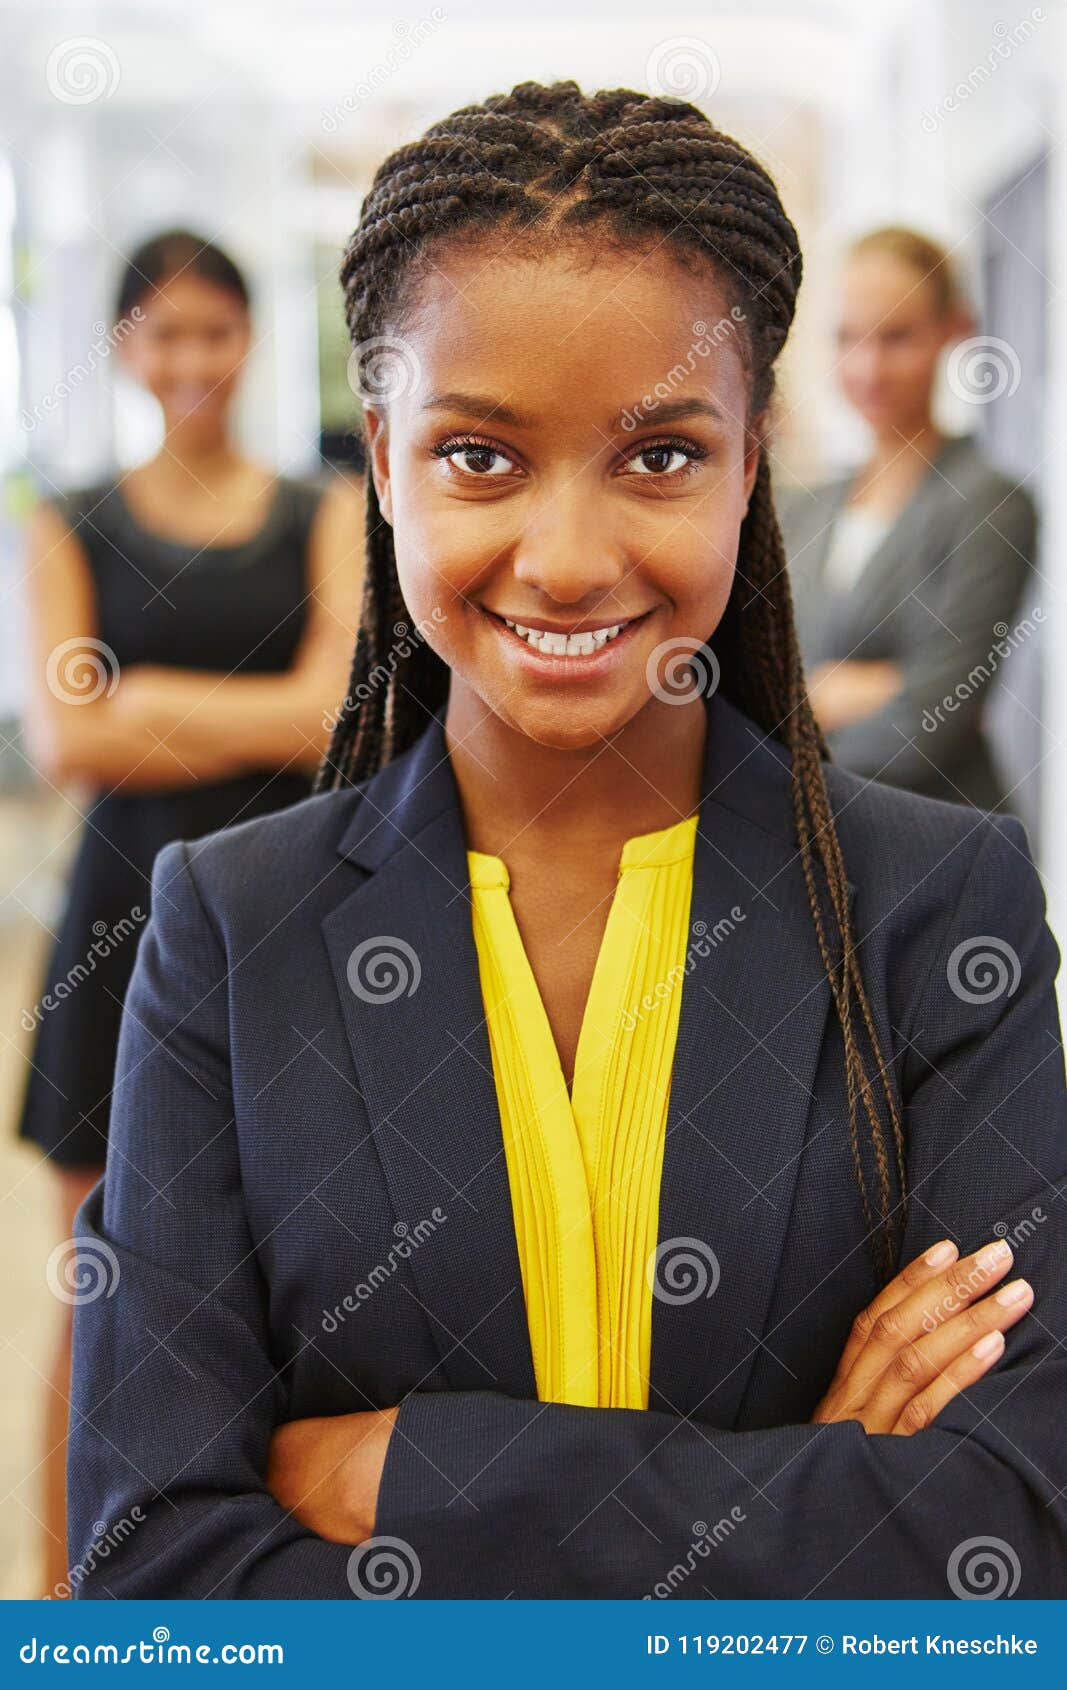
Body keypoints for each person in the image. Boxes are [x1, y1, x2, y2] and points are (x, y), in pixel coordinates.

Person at [67, 86, 1066, 1599]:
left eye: (658, 455)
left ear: (750, 464)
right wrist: (808, 1483)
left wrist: (406, 1470)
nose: (569, 555)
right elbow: (156, 1576)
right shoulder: (229, 924)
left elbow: (1007, 1536)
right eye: (479, 455)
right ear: (383, 465)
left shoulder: (935, 909)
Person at [18, 229, 362, 1596]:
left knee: (290, 1254)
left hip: (287, 906)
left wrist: (148, 702)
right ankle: (62, 1596)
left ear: (249, 340)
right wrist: (228, 721)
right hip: (119, 916)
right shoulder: (69, 519)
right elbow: (62, 739)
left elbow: (333, 716)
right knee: (98, 1271)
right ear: (126, 351)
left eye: (215, 331)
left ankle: (247, 1583)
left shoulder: (323, 506)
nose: (192, 361)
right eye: (164, 335)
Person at [776, 226, 1037, 811]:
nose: (868, 368)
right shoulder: (802, 507)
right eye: (848, 338)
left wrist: (782, 749)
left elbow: (927, 726)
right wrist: (865, 687)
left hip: (947, 848)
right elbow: (757, 684)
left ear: (954, 329)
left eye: (896, 337)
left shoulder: (991, 505)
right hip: (827, 860)